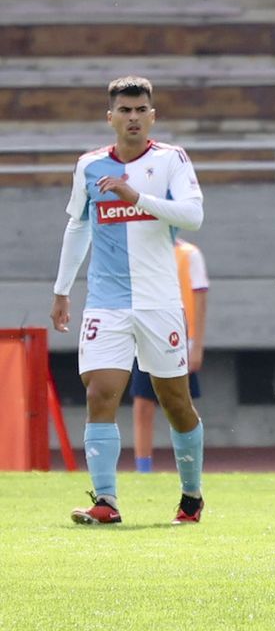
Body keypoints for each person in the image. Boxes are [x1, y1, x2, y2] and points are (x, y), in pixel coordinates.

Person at [50, 76, 206, 524]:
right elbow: (78, 226)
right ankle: (106, 501)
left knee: (174, 399)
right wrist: (62, 289)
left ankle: (191, 495)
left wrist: (137, 197)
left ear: (152, 116)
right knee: (101, 392)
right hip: (106, 299)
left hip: (159, 300)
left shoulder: (171, 160)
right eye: (125, 110)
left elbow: (194, 216)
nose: (133, 117)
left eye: (141, 110)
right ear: (111, 118)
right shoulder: (90, 167)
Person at [131, 237, 209, 473]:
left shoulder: (189, 254)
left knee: (180, 405)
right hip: (147, 337)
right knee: (142, 404)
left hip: (180, 342)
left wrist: (196, 346)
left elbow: (200, 301)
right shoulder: (140, 251)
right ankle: (143, 468)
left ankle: (189, 465)